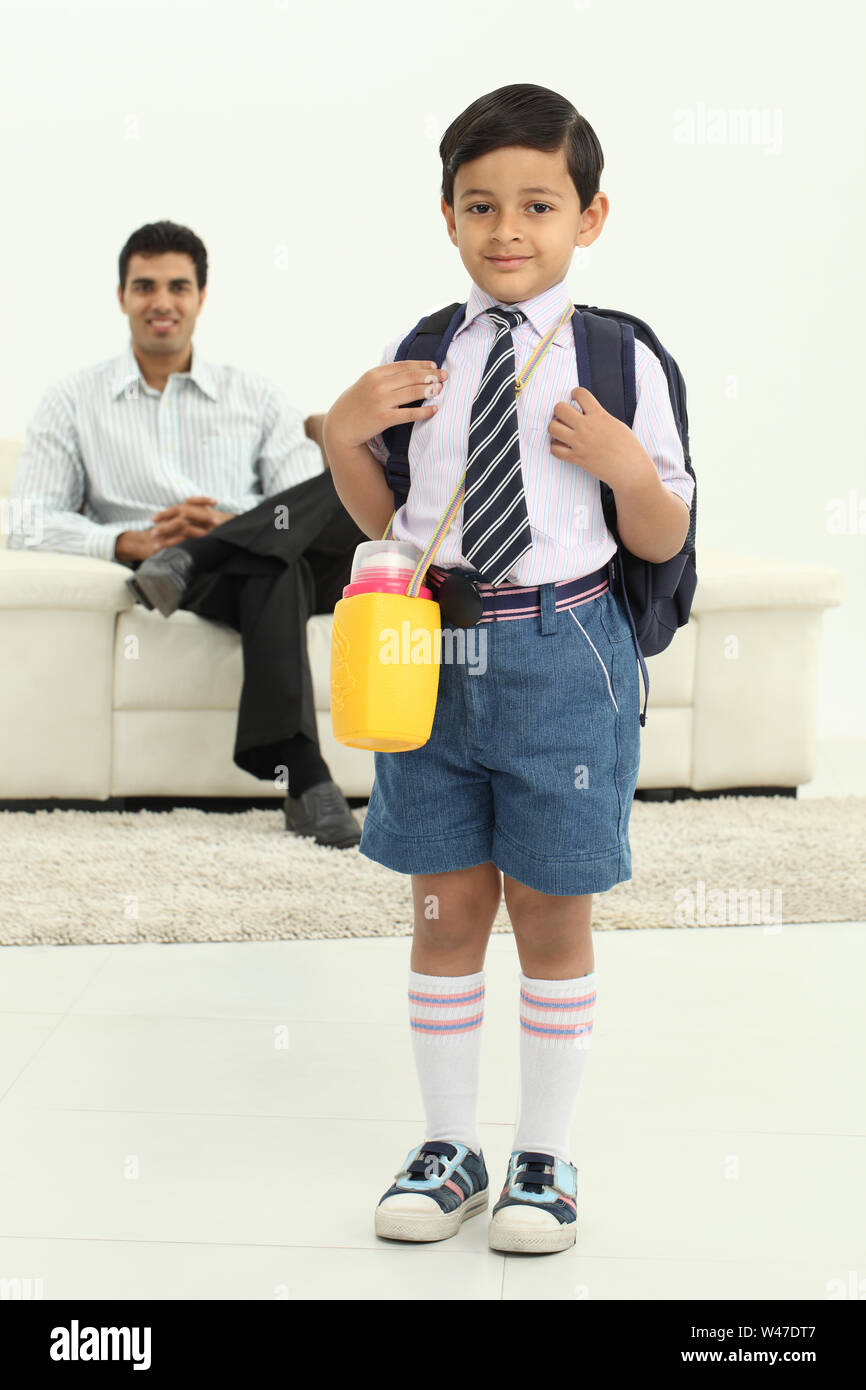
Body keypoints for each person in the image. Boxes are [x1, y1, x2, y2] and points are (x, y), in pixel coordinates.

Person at [323, 84, 694, 1252]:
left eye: (537, 204)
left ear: (589, 216)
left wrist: (627, 468)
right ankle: (448, 1149)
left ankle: (543, 1157)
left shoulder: (618, 360)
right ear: (445, 214)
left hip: (560, 650)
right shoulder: (418, 348)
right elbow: (389, 518)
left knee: (547, 906)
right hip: (432, 648)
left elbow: (663, 536)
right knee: (442, 904)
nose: (506, 230)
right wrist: (342, 434)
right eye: (479, 205)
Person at [6, 220, 367, 848]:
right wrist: (130, 543)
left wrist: (226, 528)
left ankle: (200, 553)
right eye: (145, 286)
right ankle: (306, 778)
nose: (162, 302)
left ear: (201, 296)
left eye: (178, 286)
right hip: (186, 579)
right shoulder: (73, 399)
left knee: (330, 498)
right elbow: (26, 519)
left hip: (241, 558)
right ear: (121, 296)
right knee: (275, 564)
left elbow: (303, 504)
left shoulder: (256, 396)